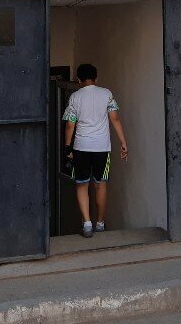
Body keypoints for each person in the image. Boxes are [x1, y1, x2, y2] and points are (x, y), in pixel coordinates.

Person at [62, 63, 128, 238]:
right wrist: (123, 142)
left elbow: (70, 124)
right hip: (102, 147)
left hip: (81, 147)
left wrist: (67, 146)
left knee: (82, 185)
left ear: (78, 80)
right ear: (96, 78)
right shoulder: (106, 94)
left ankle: (87, 224)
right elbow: (115, 119)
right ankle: (100, 224)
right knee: (100, 184)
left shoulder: (75, 97)